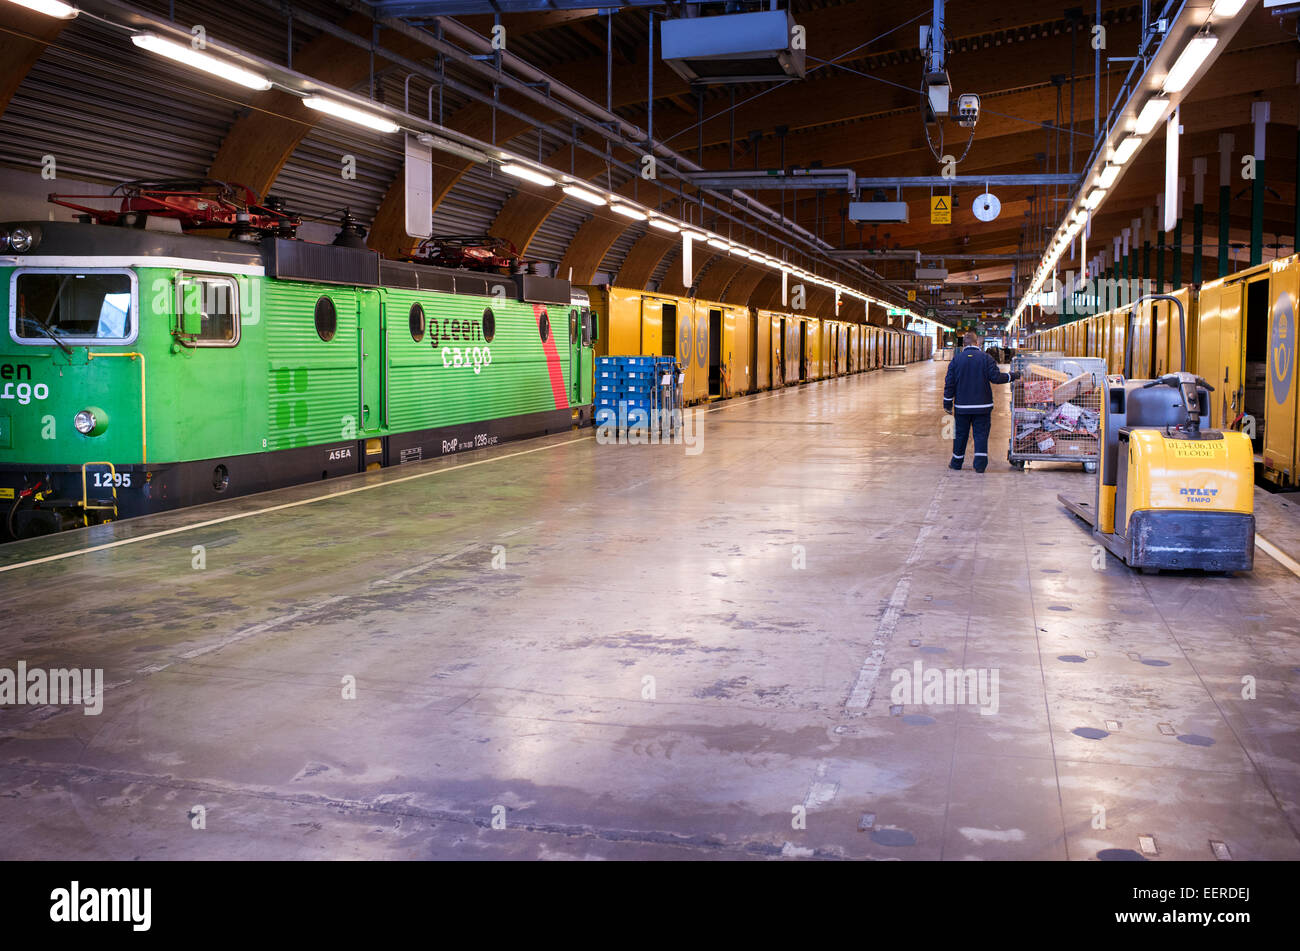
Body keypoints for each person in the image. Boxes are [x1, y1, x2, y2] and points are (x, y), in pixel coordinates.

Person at [943, 332, 1020, 473]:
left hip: (962, 407)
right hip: (983, 406)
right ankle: (980, 465)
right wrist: (1013, 376)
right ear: (977, 343)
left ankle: (956, 463)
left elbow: (950, 383)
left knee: (960, 435)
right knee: (981, 435)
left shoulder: (956, 360)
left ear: (964, 344)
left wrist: (947, 402)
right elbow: (996, 378)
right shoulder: (986, 358)